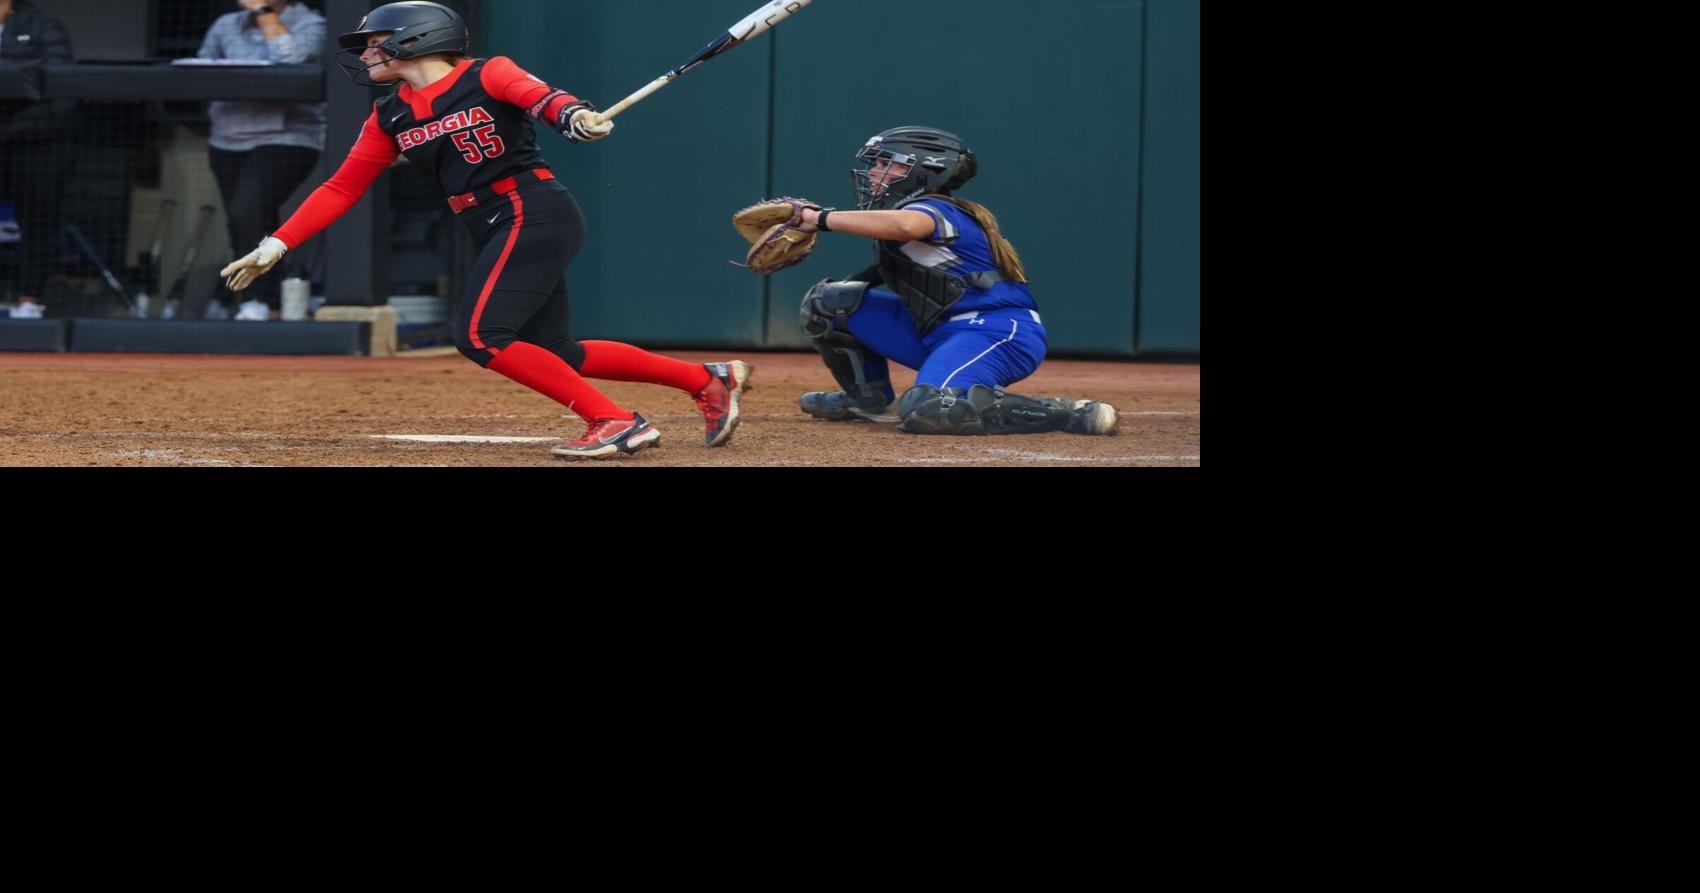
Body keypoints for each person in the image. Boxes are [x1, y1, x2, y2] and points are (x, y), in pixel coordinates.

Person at [218, 1, 749, 458]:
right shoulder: (389, 115)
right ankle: (705, 380)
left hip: (532, 210)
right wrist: (276, 243)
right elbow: (341, 188)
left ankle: (615, 421)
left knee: (478, 336)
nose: (365, 54)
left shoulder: (485, 72)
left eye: (376, 43)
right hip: (491, 221)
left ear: (416, 39)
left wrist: (573, 116)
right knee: (556, 351)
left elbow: (541, 97)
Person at [788, 126, 1119, 437]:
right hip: (937, 331)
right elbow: (862, 285)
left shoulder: (935, 209)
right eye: (876, 163)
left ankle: (1065, 413)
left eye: (886, 163)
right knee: (827, 303)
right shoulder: (901, 222)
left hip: (995, 331)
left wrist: (821, 219)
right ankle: (868, 401)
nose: (874, 171)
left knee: (930, 410)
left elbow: (907, 226)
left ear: (922, 170)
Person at [196, 0, 327, 321]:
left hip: (287, 136)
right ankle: (272, 301)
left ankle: (255, 300)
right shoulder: (226, 24)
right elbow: (200, 71)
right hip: (227, 135)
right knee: (247, 219)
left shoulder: (312, 23)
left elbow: (291, 59)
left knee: (247, 211)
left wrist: (264, 13)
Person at [0, 0, 73, 319]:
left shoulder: (43, 26)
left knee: (38, 223)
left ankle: (30, 300)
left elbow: (61, 88)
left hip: (37, 143)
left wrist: (14, 125)